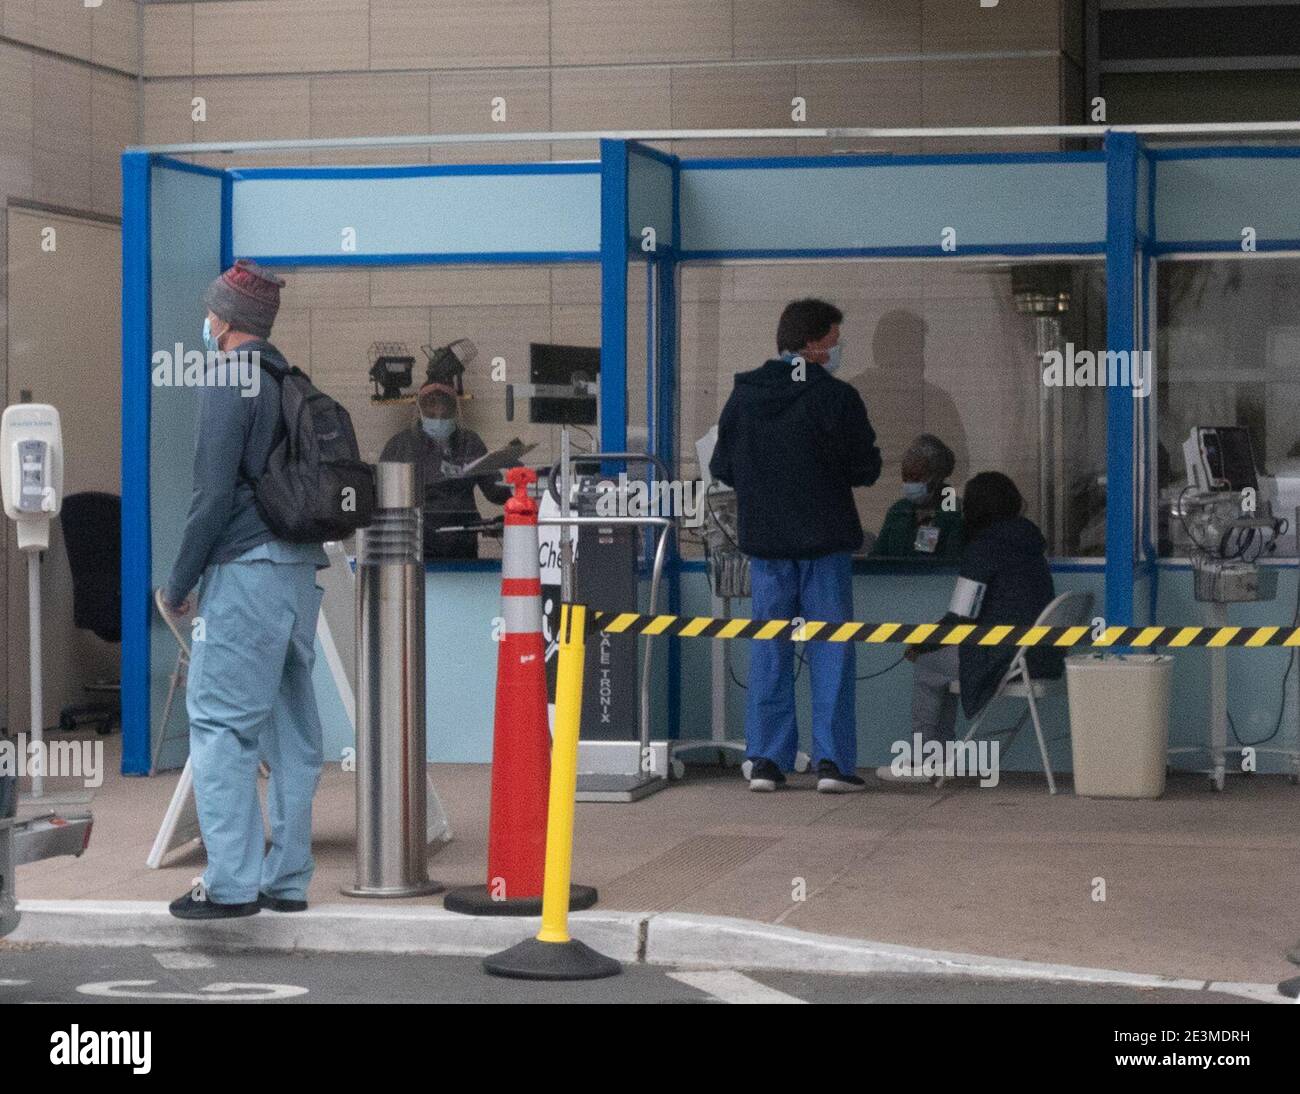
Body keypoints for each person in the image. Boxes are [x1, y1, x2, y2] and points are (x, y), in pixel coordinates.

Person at [162, 260, 327, 919]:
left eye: (210, 314)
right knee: (291, 731)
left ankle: (229, 884)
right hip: (298, 573)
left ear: (225, 321)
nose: (206, 323)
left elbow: (209, 498)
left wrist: (179, 582)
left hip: (245, 571)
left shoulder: (227, 377)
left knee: (222, 726)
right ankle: (287, 880)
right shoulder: (288, 377)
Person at [710, 298, 882, 793]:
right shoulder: (836, 398)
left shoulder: (744, 396)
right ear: (812, 344)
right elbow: (865, 469)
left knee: (770, 648)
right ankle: (833, 764)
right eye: (833, 338)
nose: (838, 347)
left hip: (765, 545)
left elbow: (723, 467)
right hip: (824, 543)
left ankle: (765, 761)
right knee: (831, 651)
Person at [878, 471, 1059, 783]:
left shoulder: (985, 548)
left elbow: (960, 619)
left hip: (1006, 657)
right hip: (1039, 656)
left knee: (928, 666)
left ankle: (924, 761)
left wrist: (921, 645)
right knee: (940, 663)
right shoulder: (1028, 544)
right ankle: (940, 758)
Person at [380, 382, 513, 559]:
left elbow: (495, 492)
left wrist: (513, 476)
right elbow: (382, 496)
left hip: (462, 541)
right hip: (417, 542)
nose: (439, 419)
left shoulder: (469, 442)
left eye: (444, 414)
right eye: (432, 414)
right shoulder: (401, 445)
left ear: (455, 412)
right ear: (420, 411)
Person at [872, 434, 963, 560]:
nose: (910, 483)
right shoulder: (899, 509)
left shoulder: (956, 512)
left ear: (937, 476)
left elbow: (953, 563)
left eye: (916, 478)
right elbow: (876, 557)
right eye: (905, 477)